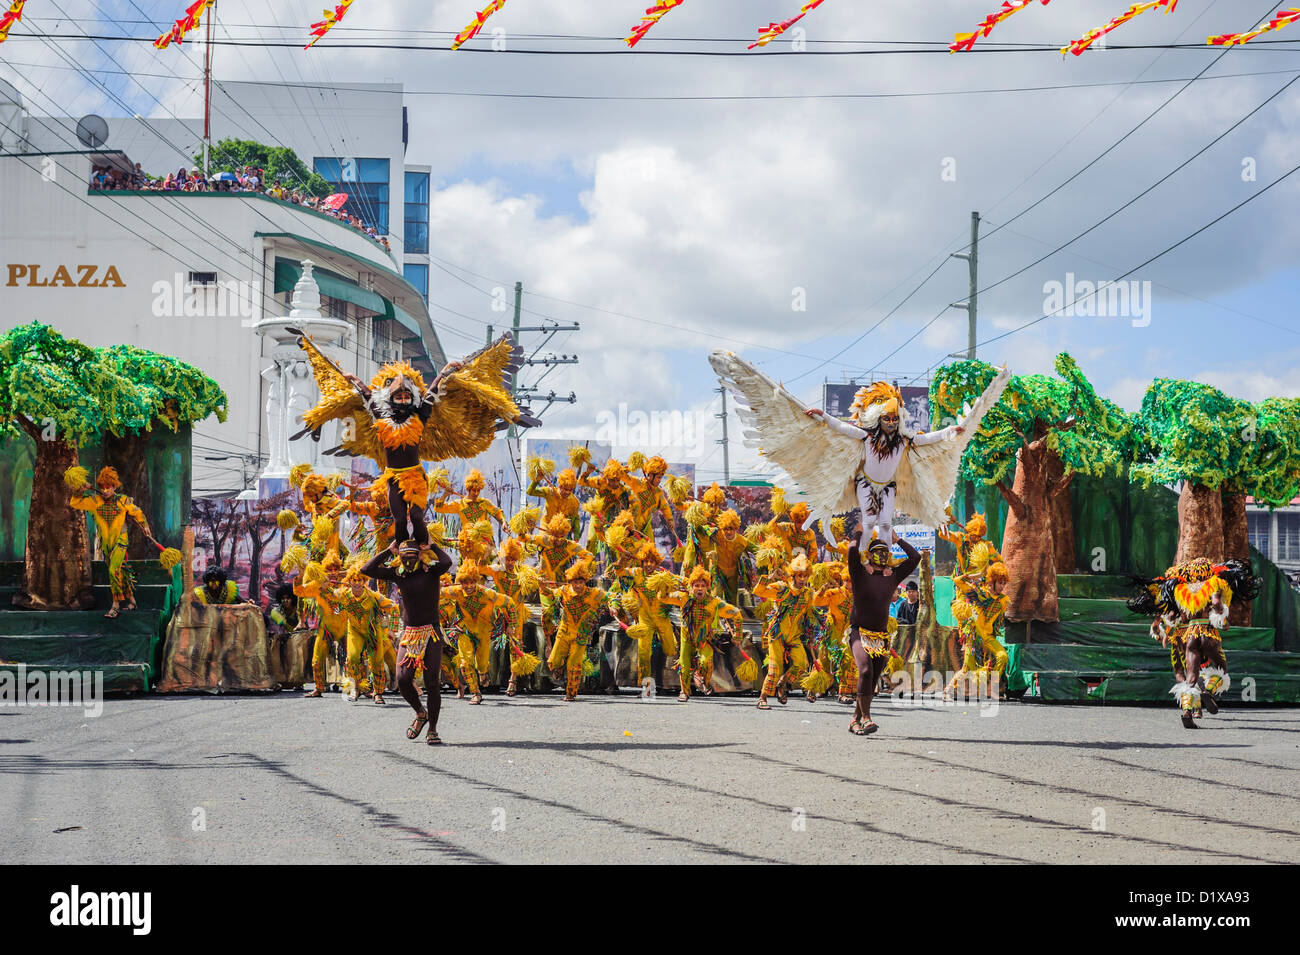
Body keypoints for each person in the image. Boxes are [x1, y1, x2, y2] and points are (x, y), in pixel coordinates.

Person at [362, 540, 454, 744]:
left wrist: (431, 547)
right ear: (400, 558)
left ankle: (433, 729)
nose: (409, 562)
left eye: (412, 557)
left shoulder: (432, 572)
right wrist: (388, 550)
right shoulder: (398, 574)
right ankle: (421, 713)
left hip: (432, 632)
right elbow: (366, 569)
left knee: (432, 683)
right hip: (410, 633)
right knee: (402, 680)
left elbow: (447, 562)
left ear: (419, 556)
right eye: (404, 558)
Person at [846, 531, 922, 735]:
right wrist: (860, 531)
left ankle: (855, 719)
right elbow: (852, 550)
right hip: (859, 632)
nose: (881, 554)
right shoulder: (860, 573)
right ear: (869, 555)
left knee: (871, 679)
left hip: (880, 636)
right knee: (864, 671)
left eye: (885, 551)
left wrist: (898, 541)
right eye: (876, 551)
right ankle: (868, 718)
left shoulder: (893, 576)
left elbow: (915, 557)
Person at [66, 465, 153, 618]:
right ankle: (132, 600)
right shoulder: (94, 501)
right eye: (103, 487)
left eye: (108, 487)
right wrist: (81, 489)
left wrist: (145, 526)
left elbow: (137, 512)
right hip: (106, 544)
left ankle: (116, 605)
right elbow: (74, 503)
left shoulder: (123, 500)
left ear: (114, 487)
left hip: (121, 540)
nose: (105, 490)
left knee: (113, 570)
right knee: (119, 571)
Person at [664, 566, 745, 701]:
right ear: (691, 587)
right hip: (687, 638)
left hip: (704, 640)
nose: (699, 589)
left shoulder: (715, 603)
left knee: (706, 662)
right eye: (696, 585)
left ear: (707, 587)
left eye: (702, 585)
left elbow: (736, 613)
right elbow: (664, 598)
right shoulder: (682, 597)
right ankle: (684, 692)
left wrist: (738, 636)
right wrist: (663, 584)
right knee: (684, 664)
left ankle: (701, 678)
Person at [439, 560, 511, 705]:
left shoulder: (488, 593)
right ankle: (475, 692)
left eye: (472, 582)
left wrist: (511, 625)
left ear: (476, 581)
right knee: (465, 663)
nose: (469, 586)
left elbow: (510, 603)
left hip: (483, 633)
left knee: (482, 664)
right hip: (464, 631)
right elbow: (436, 593)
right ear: (460, 582)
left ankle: (483, 673)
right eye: (465, 582)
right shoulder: (455, 591)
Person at [752, 554, 818, 710]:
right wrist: (769, 577)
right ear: (794, 575)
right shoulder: (782, 588)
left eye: (805, 576)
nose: (802, 579)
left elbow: (809, 612)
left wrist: (810, 631)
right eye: (800, 575)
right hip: (777, 636)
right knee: (774, 669)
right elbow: (759, 591)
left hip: (794, 636)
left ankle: (783, 683)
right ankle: (763, 698)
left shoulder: (807, 594)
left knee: (802, 664)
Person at [541, 556, 610, 702]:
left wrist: (613, 607)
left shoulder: (594, 594)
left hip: (581, 636)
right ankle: (558, 668)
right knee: (553, 661)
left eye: (580, 582)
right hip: (564, 633)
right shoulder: (563, 591)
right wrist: (541, 586)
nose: (578, 586)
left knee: (574, 665)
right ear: (570, 582)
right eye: (575, 582)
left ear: (585, 582)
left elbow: (612, 597)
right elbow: (549, 594)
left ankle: (570, 693)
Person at [332, 562, 400, 704]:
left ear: (364, 581)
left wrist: (393, 630)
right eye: (354, 580)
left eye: (360, 580)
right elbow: (325, 593)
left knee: (377, 662)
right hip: (354, 632)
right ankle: (355, 688)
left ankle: (378, 693)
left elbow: (394, 608)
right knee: (352, 658)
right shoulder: (342, 594)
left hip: (373, 633)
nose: (356, 583)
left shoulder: (374, 596)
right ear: (349, 581)